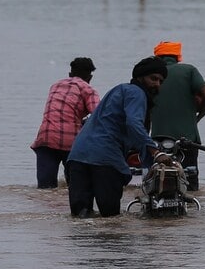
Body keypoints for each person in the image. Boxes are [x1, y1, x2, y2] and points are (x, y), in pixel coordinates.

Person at [65, 57, 173, 218]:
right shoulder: (137, 93)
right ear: (140, 77)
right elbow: (133, 124)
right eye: (153, 78)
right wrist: (155, 153)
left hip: (77, 156)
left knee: (81, 217)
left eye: (160, 81)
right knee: (111, 219)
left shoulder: (119, 89)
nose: (157, 84)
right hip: (104, 158)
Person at [149, 40, 205, 191]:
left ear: (157, 58)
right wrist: (198, 108)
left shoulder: (151, 76)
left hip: (157, 139)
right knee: (189, 184)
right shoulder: (189, 70)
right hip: (187, 139)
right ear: (178, 57)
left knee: (155, 180)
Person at [29, 57, 100, 189]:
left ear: (70, 74)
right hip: (71, 142)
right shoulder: (88, 90)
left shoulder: (55, 85)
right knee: (75, 188)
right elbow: (99, 116)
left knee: (45, 189)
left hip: (45, 138)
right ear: (90, 77)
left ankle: (44, 209)